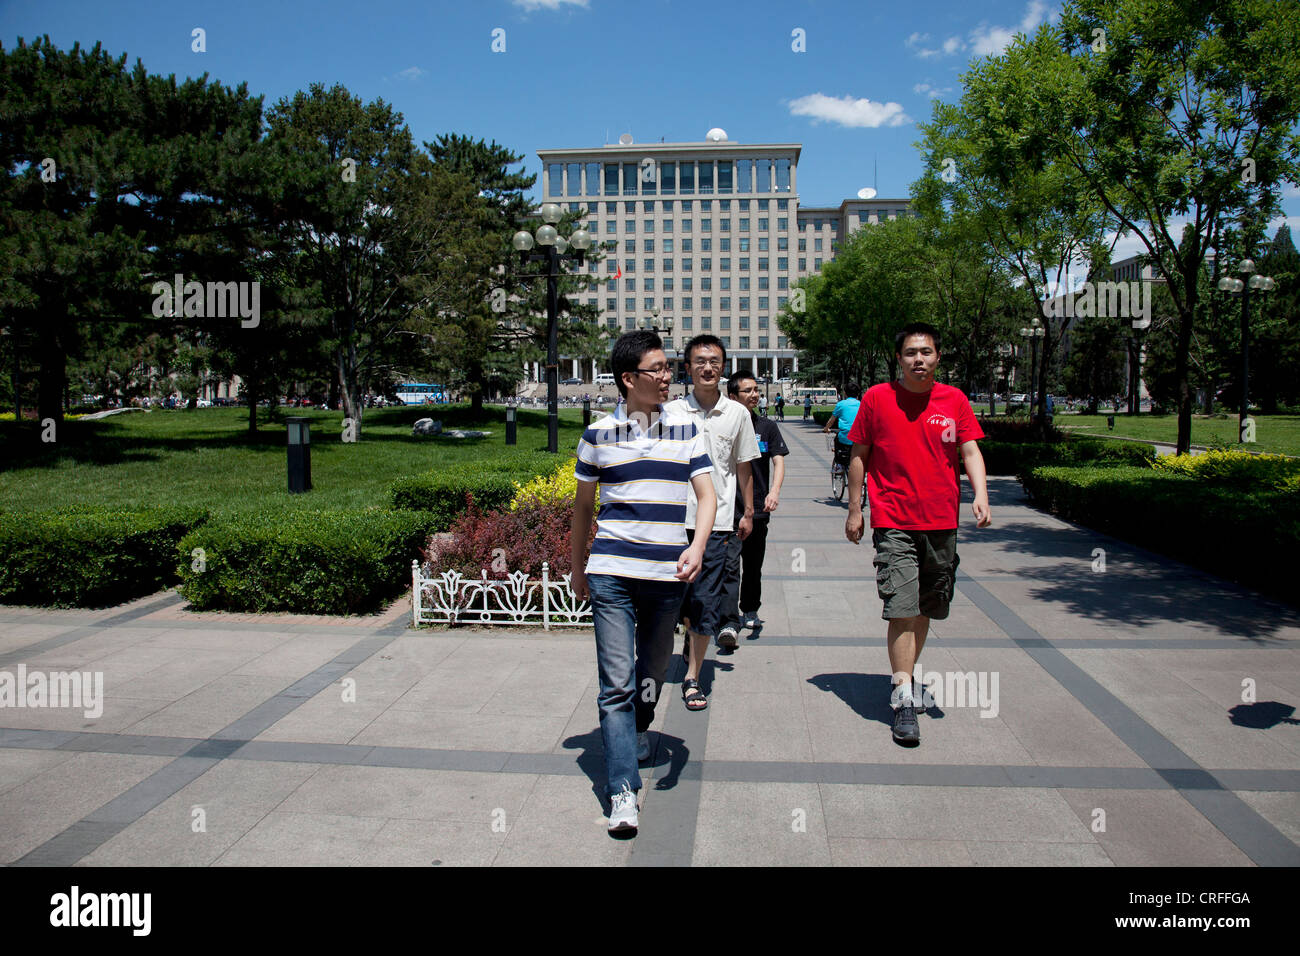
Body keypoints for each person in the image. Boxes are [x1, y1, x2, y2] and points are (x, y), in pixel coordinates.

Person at [571, 330, 717, 834]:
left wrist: (696, 546)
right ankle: (622, 791)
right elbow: (584, 510)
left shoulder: (685, 431)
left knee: (652, 672)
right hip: (611, 573)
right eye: (655, 369)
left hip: (666, 575)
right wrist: (576, 568)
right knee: (616, 685)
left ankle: (637, 726)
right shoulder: (596, 436)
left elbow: (707, 497)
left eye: (666, 366)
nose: (666, 375)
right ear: (628, 379)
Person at [843, 322, 991, 747]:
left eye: (926, 352)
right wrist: (856, 510)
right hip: (894, 521)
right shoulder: (877, 398)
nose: (918, 359)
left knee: (927, 605)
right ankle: (904, 695)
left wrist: (980, 494)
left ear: (938, 357)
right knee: (902, 607)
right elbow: (860, 455)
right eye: (910, 353)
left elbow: (969, 449)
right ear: (899, 358)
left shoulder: (954, 399)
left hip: (942, 521)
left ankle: (905, 676)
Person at [665, 335, 759, 711]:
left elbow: (743, 465)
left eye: (715, 361)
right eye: (700, 361)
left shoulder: (738, 414)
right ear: (687, 368)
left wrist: (747, 511)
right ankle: (688, 641)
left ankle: (692, 677)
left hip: (718, 524)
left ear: (723, 366)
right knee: (678, 602)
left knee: (705, 604)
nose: (708, 367)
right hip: (674, 523)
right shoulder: (669, 413)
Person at [722, 373, 788, 633]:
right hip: (728, 509)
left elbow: (779, 460)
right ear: (732, 397)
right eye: (747, 391)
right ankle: (727, 620)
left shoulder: (767, 427)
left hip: (758, 508)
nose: (754, 395)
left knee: (752, 565)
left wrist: (775, 490)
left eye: (756, 390)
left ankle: (750, 609)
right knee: (729, 566)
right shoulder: (723, 426)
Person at [822, 383, 862, 488]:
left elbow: (832, 420)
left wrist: (826, 429)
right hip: (860, 437)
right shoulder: (862, 404)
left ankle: (838, 465)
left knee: (837, 441)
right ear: (858, 394)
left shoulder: (841, 404)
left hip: (846, 436)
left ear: (845, 393)